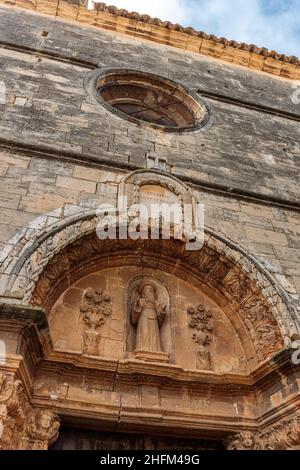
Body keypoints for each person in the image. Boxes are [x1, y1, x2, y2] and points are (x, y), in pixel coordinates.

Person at [131, 281, 167, 352]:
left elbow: (160, 313)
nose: (149, 292)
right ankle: (143, 348)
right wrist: (137, 306)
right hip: (144, 318)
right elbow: (135, 314)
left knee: (154, 334)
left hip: (154, 319)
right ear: (143, 293)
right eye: (147, 290)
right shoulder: (141, 301)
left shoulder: (155, 303)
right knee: (145, 333)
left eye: (151, 290)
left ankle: (155, 350)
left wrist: (162, 310)